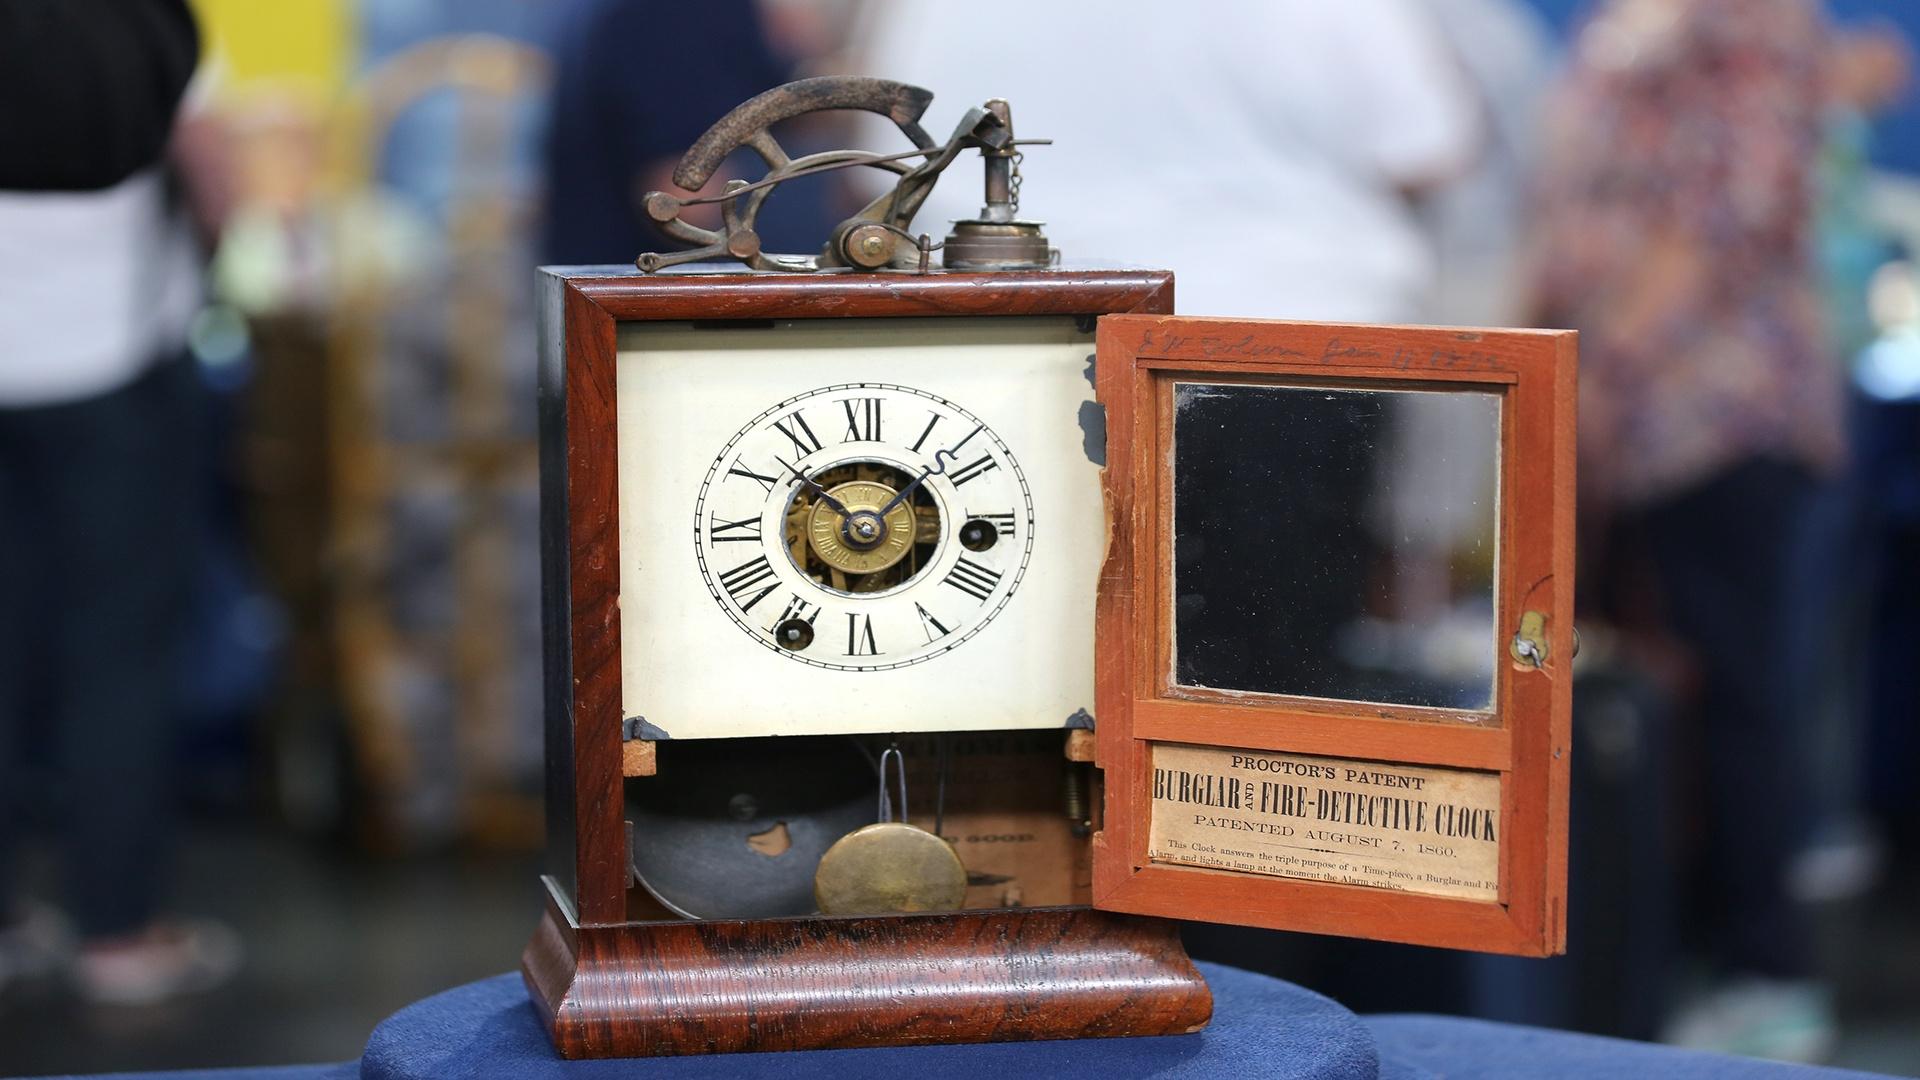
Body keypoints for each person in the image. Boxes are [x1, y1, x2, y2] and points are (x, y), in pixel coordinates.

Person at [1528, 0, 1848, 1059]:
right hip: (1618, 419)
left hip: (1719, 413)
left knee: (1734, 694)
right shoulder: (1628, 20)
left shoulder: (1754, 16)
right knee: (1638, 700)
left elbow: (1737, 209)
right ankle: (1647, 970)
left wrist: (1608, 363)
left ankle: (1766, 970)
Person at [0, 0, 240, 1005]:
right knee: (121, 654)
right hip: (116, 369)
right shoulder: (138, 15)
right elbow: (214, 173)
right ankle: (119, 934)